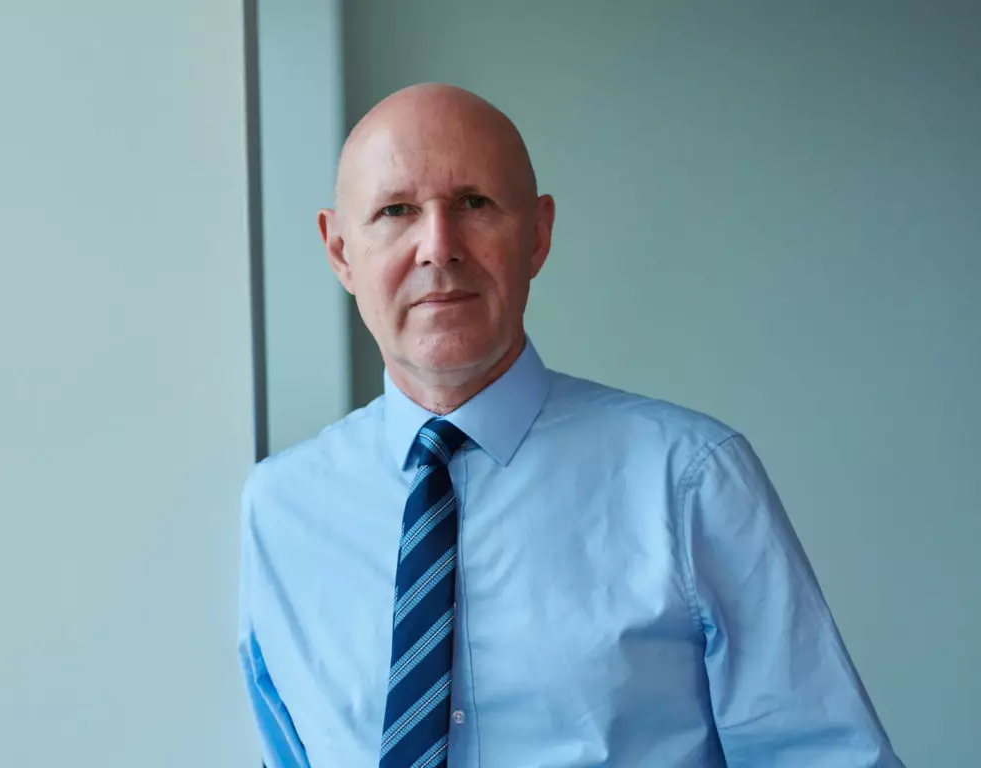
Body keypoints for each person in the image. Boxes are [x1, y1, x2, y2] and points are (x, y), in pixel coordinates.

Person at [238, 83, 903, 768]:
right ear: (340, 250)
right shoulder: (281, 508)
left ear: (537, 235)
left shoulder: (690, 479)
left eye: (474, 203)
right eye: (396, 210)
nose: (438, 247)